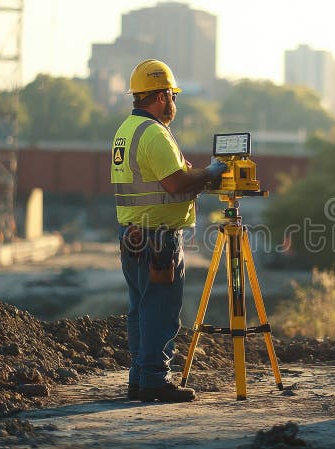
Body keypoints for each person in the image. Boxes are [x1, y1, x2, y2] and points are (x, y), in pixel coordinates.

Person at [111, 59, 227, 402]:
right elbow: (175, 184)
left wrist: (189, 174)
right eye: (172, 95)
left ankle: (140, 378)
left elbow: (155, 179)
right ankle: (155, 381)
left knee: (141, 308)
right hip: (157, 239)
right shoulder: (155, 133)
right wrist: (209, 172)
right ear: (161, 96)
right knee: (160, 310)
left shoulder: (126, 131)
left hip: (132, 235)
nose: (174, 102)